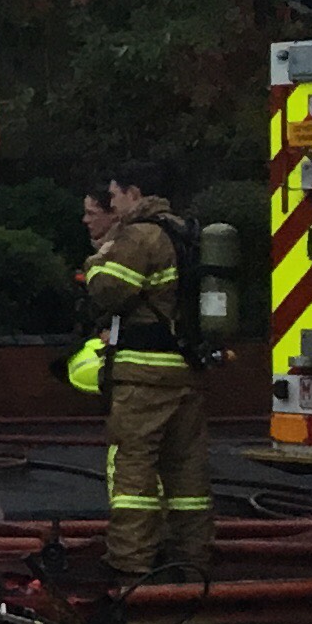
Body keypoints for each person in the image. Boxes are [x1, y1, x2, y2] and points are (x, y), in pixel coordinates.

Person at [78, 158, 210, 593]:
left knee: (134, 467)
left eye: (115, 194)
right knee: (185, 471)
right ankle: (191, 557)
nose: (112, 203)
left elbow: (107, 290)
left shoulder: (141, 234)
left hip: (144, 374)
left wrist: (94, 263)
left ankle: (131, 561)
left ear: (135, 192)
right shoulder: (186, 231)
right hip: (184, 371)